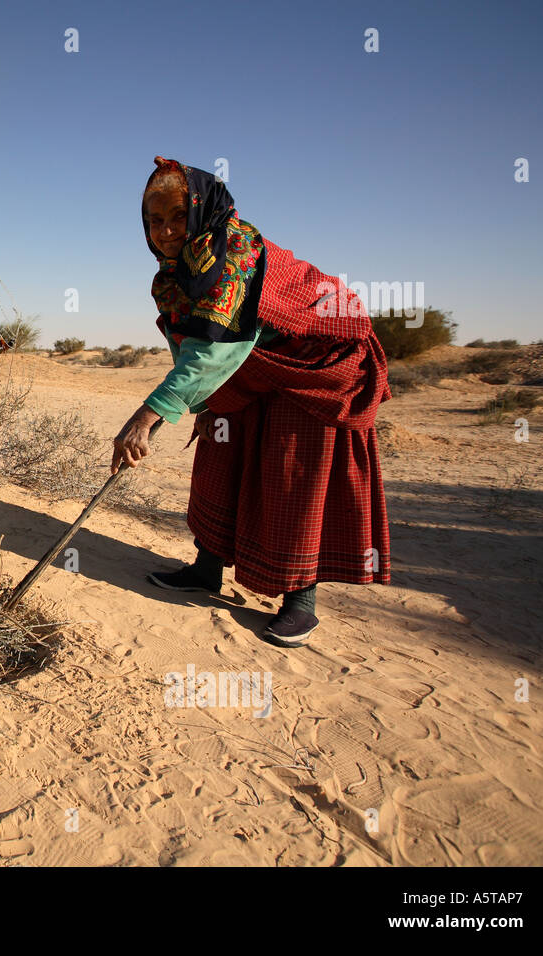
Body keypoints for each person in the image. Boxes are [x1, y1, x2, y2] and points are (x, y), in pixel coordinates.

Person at [111, 156, 391, 647]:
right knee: (221, 449)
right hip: (253, 362)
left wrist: (145, 416)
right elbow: (190, 345)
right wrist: (199, 406)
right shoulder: (177, 272)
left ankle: (301, 602)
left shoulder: (231, 258)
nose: (166, 231)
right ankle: (205, 569)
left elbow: (214, 350)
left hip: (315, 365)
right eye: (155, 221)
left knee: (290, 475)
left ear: (200, 212)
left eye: (178, 217)